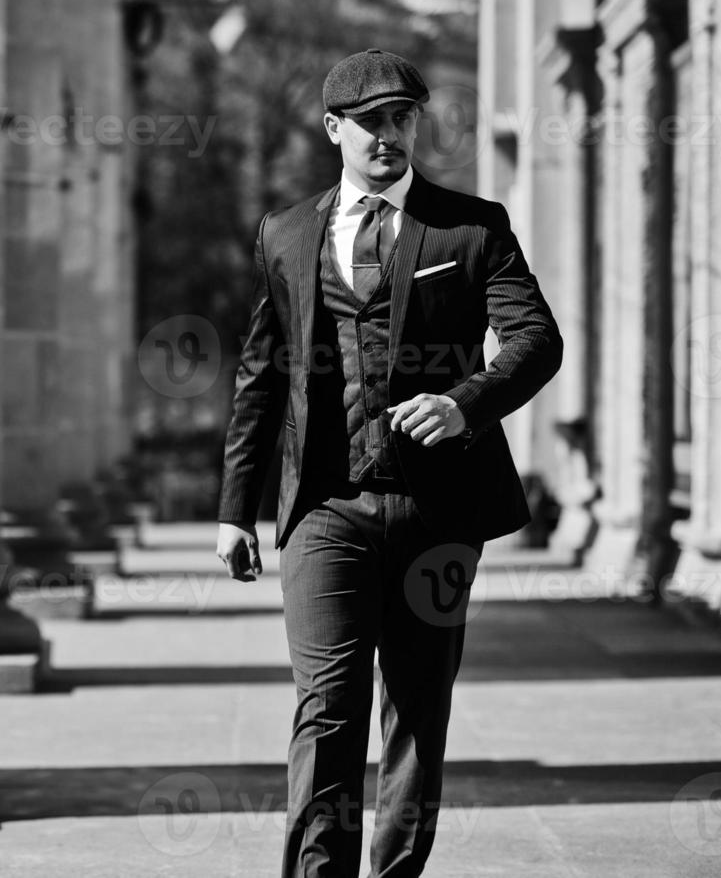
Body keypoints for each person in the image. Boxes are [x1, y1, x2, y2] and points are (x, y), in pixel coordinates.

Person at [215, 48, 562, 877]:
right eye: (369, 122)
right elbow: (261, 375)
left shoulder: (470, 227)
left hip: (438, 514)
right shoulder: (285, 232)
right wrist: (234, 507)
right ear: (333, 128)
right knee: (326, 708)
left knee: (416, 710)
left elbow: (535, 341)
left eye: (401, 118)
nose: (387, 136)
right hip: (325, 509)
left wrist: (462, 403)